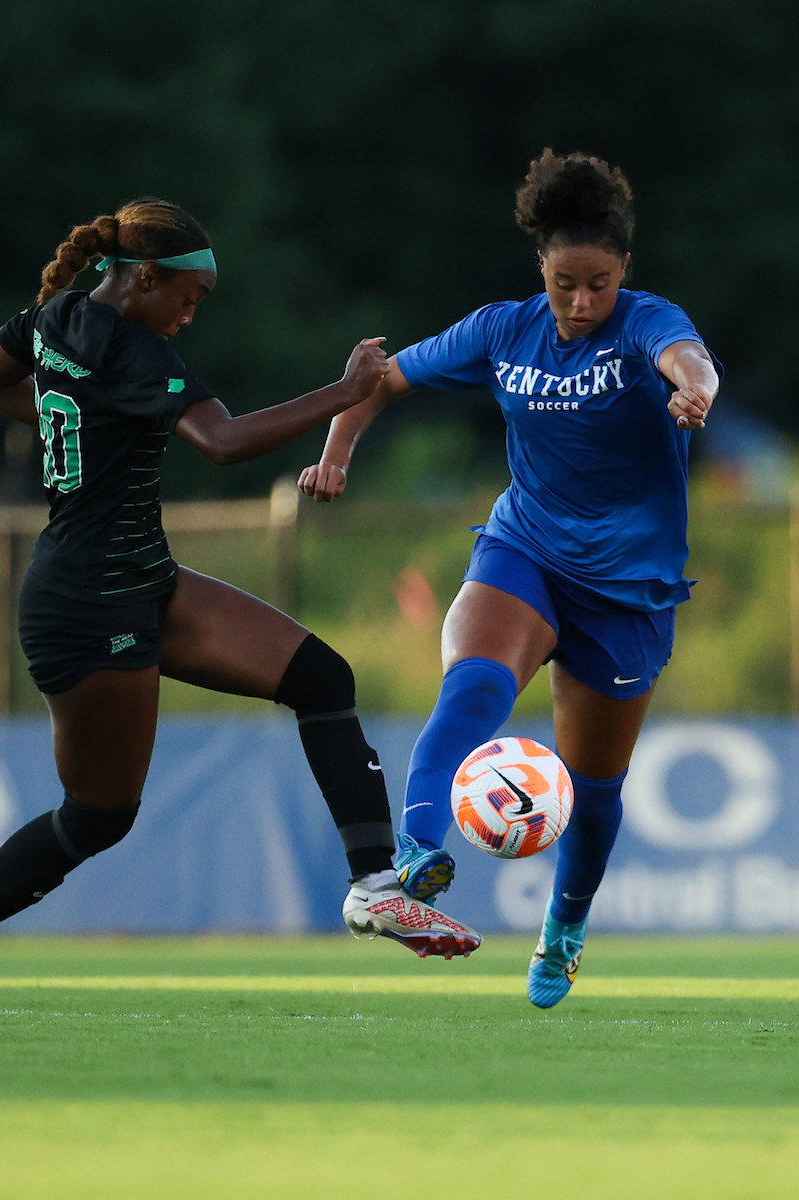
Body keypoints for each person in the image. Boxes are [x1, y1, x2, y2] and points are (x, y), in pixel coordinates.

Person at [0, 197, 481, 1005]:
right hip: (85, 607)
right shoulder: (136, 352)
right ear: (145, 277)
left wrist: (78, 423)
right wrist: (345, 391)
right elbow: (224, 442)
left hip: (143, 581)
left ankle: (375, 886)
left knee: (322, 678)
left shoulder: (50, 318)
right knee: (99, 815)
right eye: (189, 297)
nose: (189, 315)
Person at [299, 150, 721, 1008]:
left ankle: (563, 930)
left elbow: (690, 360)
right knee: (473, 690)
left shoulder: (648, 321)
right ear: (541, 267)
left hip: (626, 592)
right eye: (565, 284)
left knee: (593, 792)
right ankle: (415, 858)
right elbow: (379, 381)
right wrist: (337, 451)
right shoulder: (501, 329)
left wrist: (695, 391)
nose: (581, 302)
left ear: (625, 269)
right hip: (524, 549)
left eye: (599, 284)